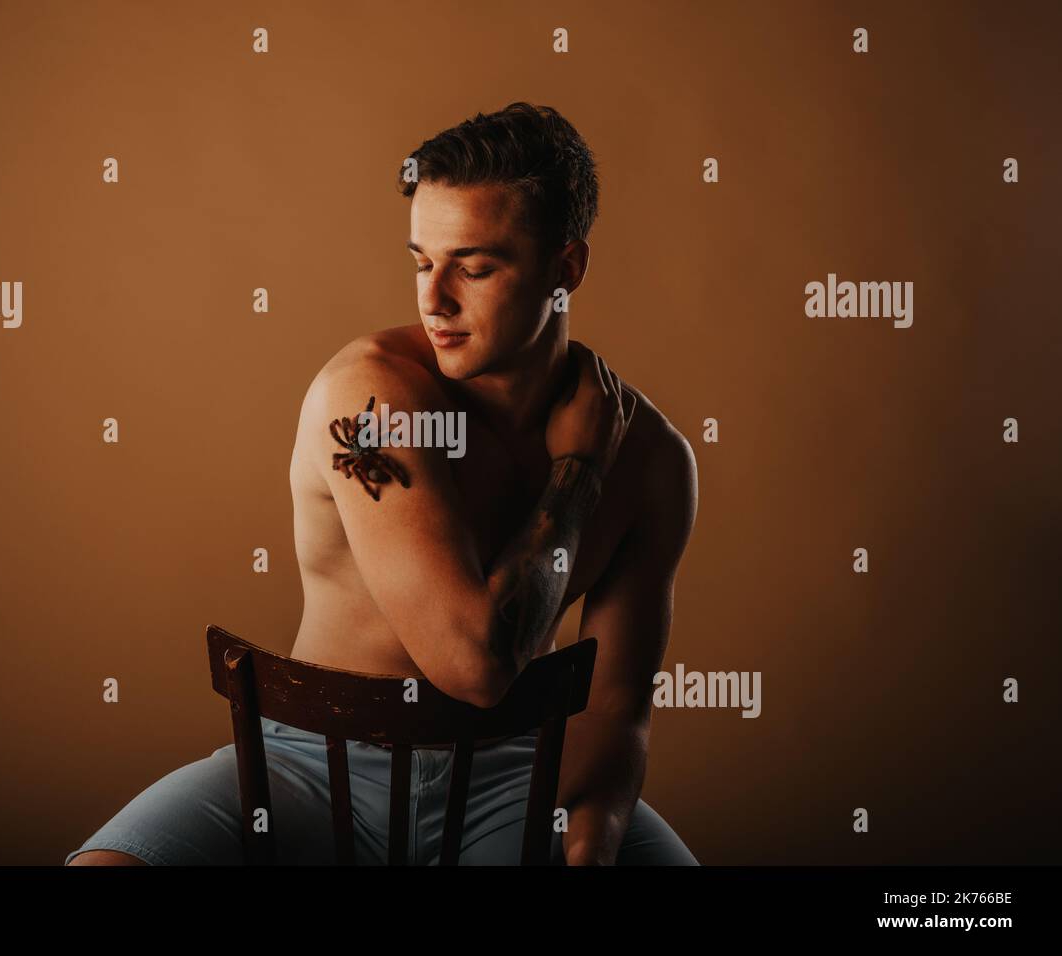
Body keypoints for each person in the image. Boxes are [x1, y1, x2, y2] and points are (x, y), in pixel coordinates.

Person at [68, 102, 699, 866]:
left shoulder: (652, 458)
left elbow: (616, 709)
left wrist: (585, 846)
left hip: (516, 780)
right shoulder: (372, 398)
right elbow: (474, 663)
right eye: (421, 261)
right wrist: (578, 473)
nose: (433, 300)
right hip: (306, 768)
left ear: (565, 270)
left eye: (473, 267)